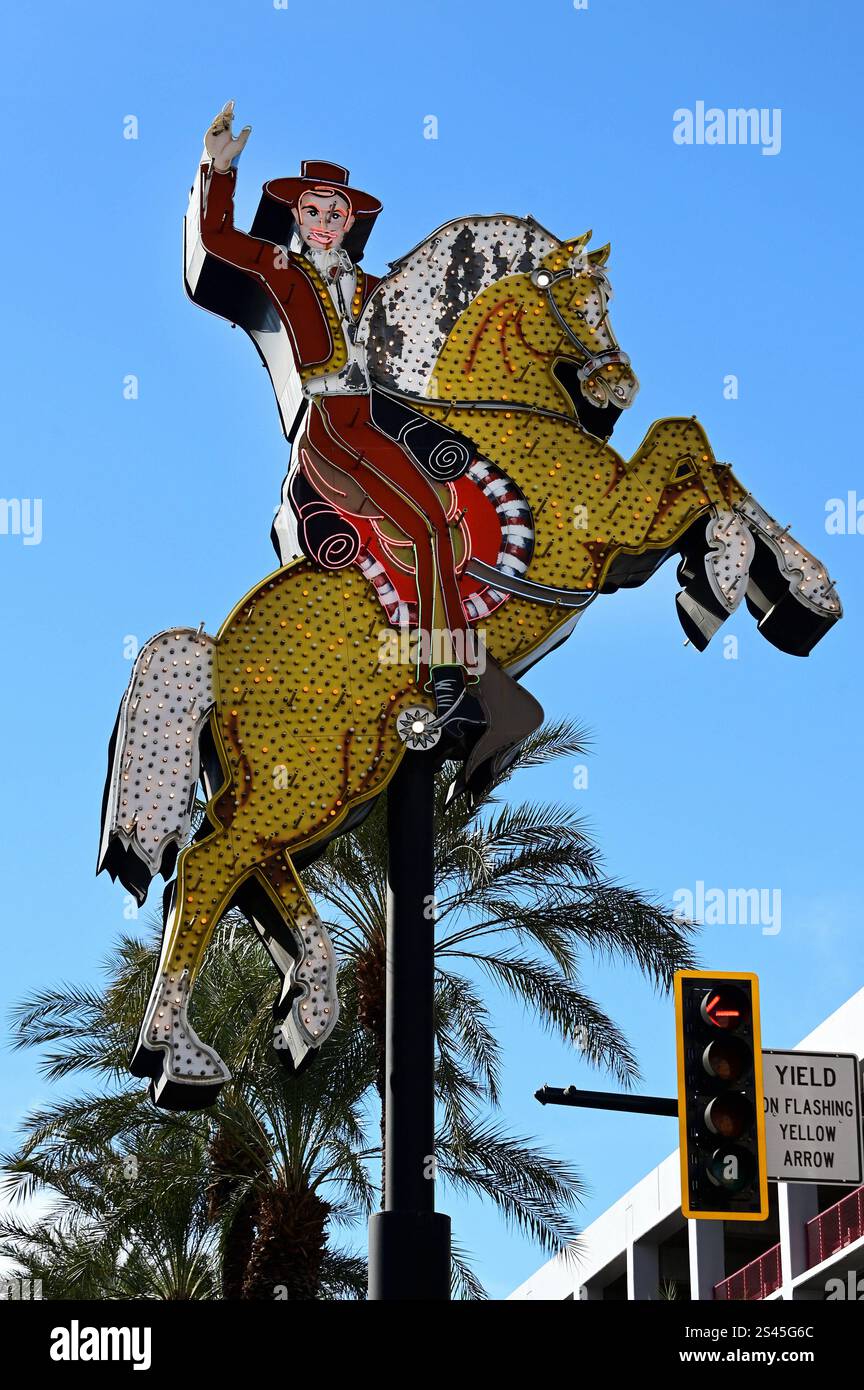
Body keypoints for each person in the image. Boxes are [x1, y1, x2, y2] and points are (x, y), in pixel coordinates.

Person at [200, 101, 484, 737]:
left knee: (437, 521)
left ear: (349, 220)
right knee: (427, 524)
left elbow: (431, 310)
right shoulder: (284, 269)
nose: (324, 222)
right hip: (328, 425)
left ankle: (447, 670)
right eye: (313, 211)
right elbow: (218, 242)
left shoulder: (370, 283)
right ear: (297, 217)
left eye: (335, 213)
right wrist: (218, 170)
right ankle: (444, 673)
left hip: (370, 419)